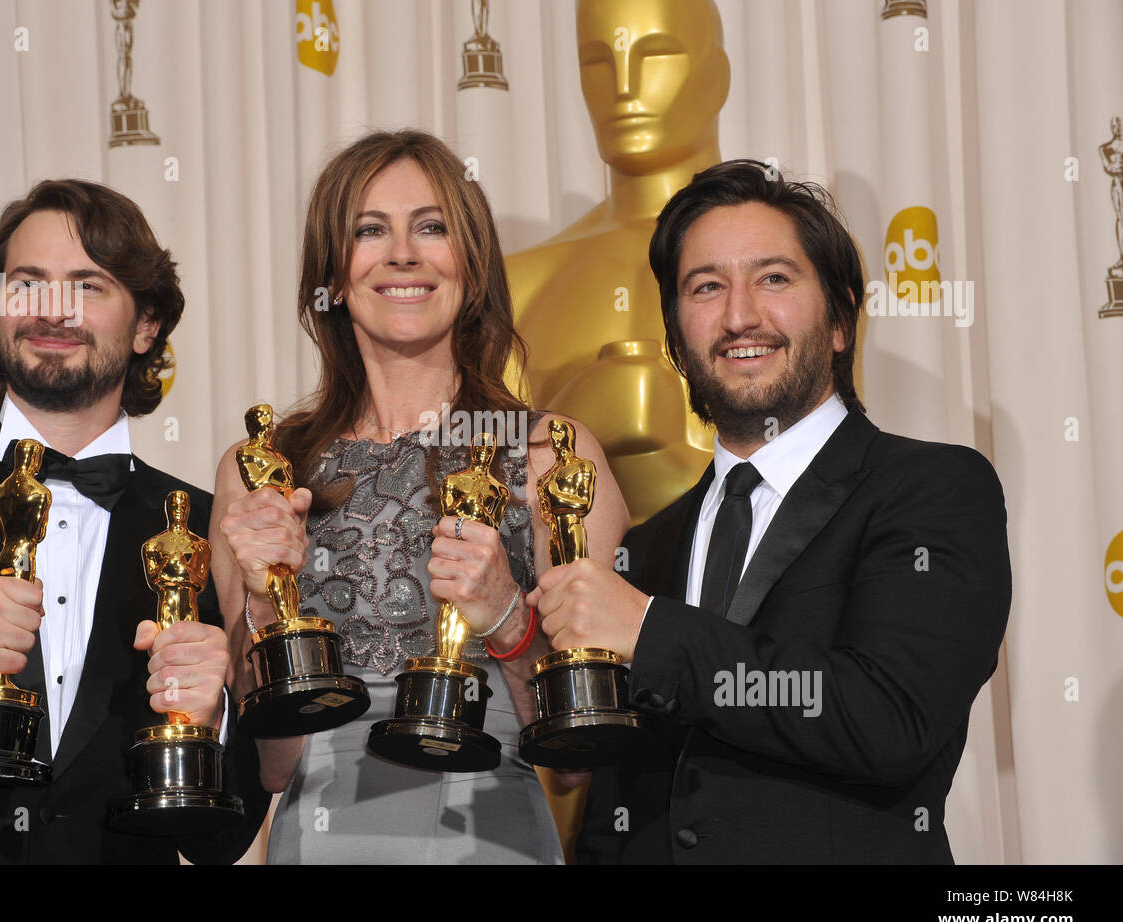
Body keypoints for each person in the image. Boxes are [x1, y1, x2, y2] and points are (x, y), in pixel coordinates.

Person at [531, 159, 1011, 864]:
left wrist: (649, 631)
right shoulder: (646, 548)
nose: (739, 315)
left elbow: (889, 719)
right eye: (706, 287)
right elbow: (618, 805)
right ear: (675, 340)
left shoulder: (933, 490)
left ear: (842, 318)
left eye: (774, 278)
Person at [211, 129, 629, 864]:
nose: (402, 253)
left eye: (431, 228)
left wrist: (507, 617)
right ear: (333, 277)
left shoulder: (550, 456)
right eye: (370, 230)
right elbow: (274, 766)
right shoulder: (266, 467)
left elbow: (576, 761)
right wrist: (262, 599)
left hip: (491, 841)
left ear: (471, 264)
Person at [0, 179, 266, 863]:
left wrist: (212, 719)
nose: (53, 311)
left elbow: (222, 841)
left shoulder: (208, 534)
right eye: (28, 283)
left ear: (147, 324)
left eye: (88, 286)